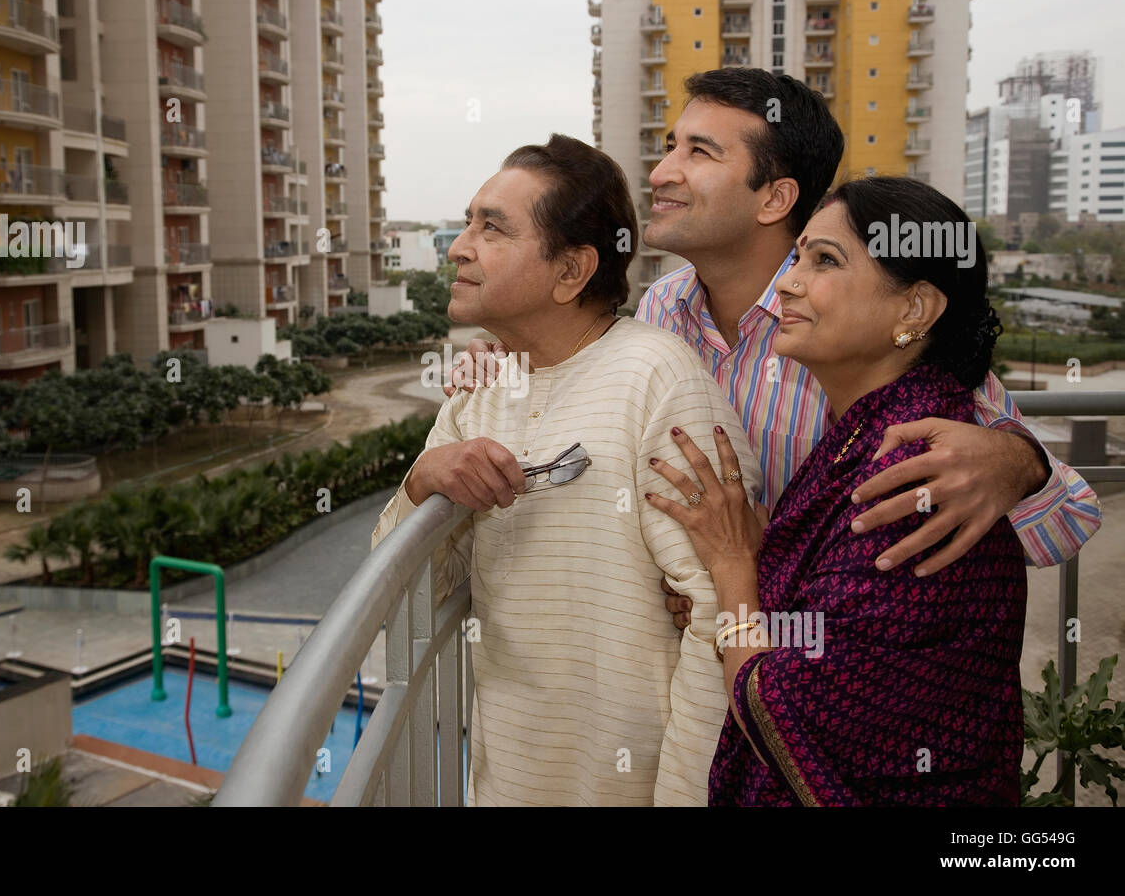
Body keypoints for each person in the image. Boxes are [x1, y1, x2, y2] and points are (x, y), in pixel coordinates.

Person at [452, 68, 1099, 592]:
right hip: (704, 684)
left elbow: (1068, 520)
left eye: (699, 152)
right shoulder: (661, 309)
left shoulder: (852, 321)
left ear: (775, 199)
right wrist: (507, 360)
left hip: (822, 697)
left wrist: (1018, 461)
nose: (660, 172)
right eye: (671, 145)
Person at [370, 134, 764, 805]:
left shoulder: (658, 380)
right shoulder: (482, 391)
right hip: (507, 782)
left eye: (492, 228)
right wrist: (426, 479)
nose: (459, 247)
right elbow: (404, 590)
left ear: (572, 271)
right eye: (467, 221)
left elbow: (715, 619)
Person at [645, 176, 1028, 805]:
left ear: (914, 310)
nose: (789, 283)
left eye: (825, 261)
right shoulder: (868, 434)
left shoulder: (913, 479)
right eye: (797, 257)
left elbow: (780, 703)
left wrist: (735, 565)